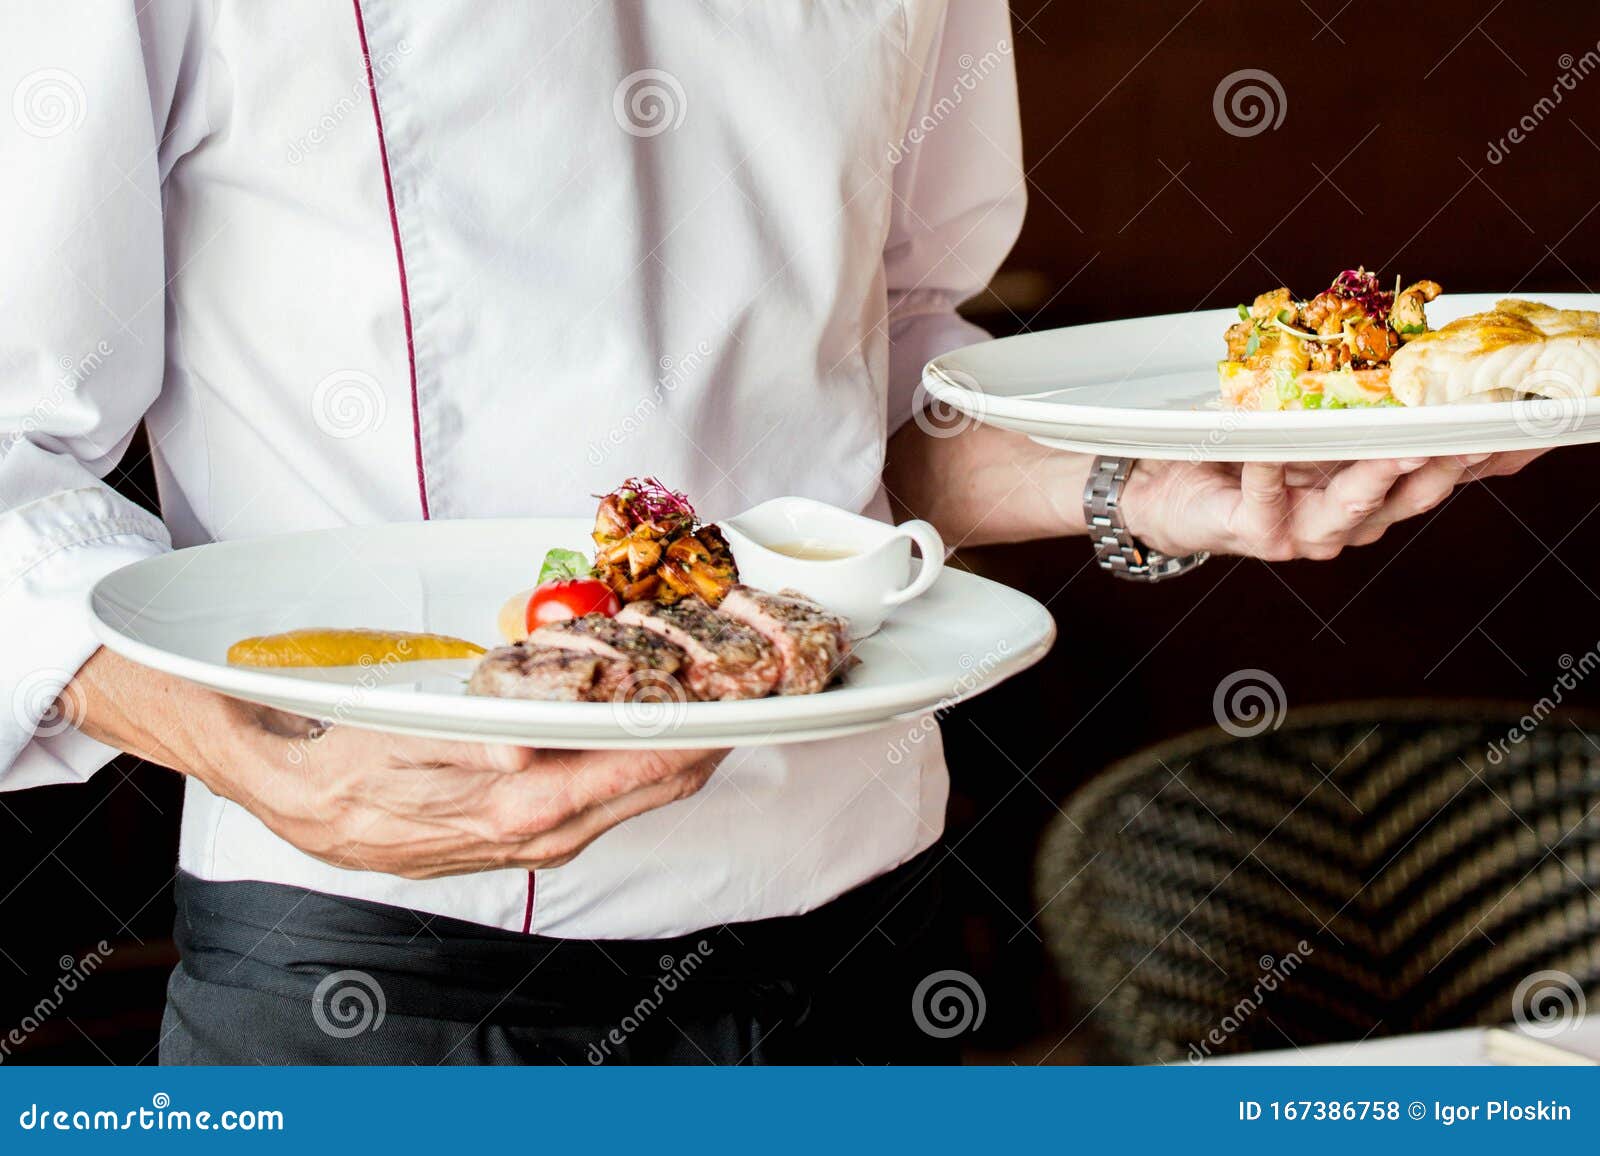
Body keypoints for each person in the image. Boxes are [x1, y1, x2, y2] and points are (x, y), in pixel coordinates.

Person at [2, 2, 1540, 1064]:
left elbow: (867, 369)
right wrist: (245, 754)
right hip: (400, 969)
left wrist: (1140, 485)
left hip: (872, 936)